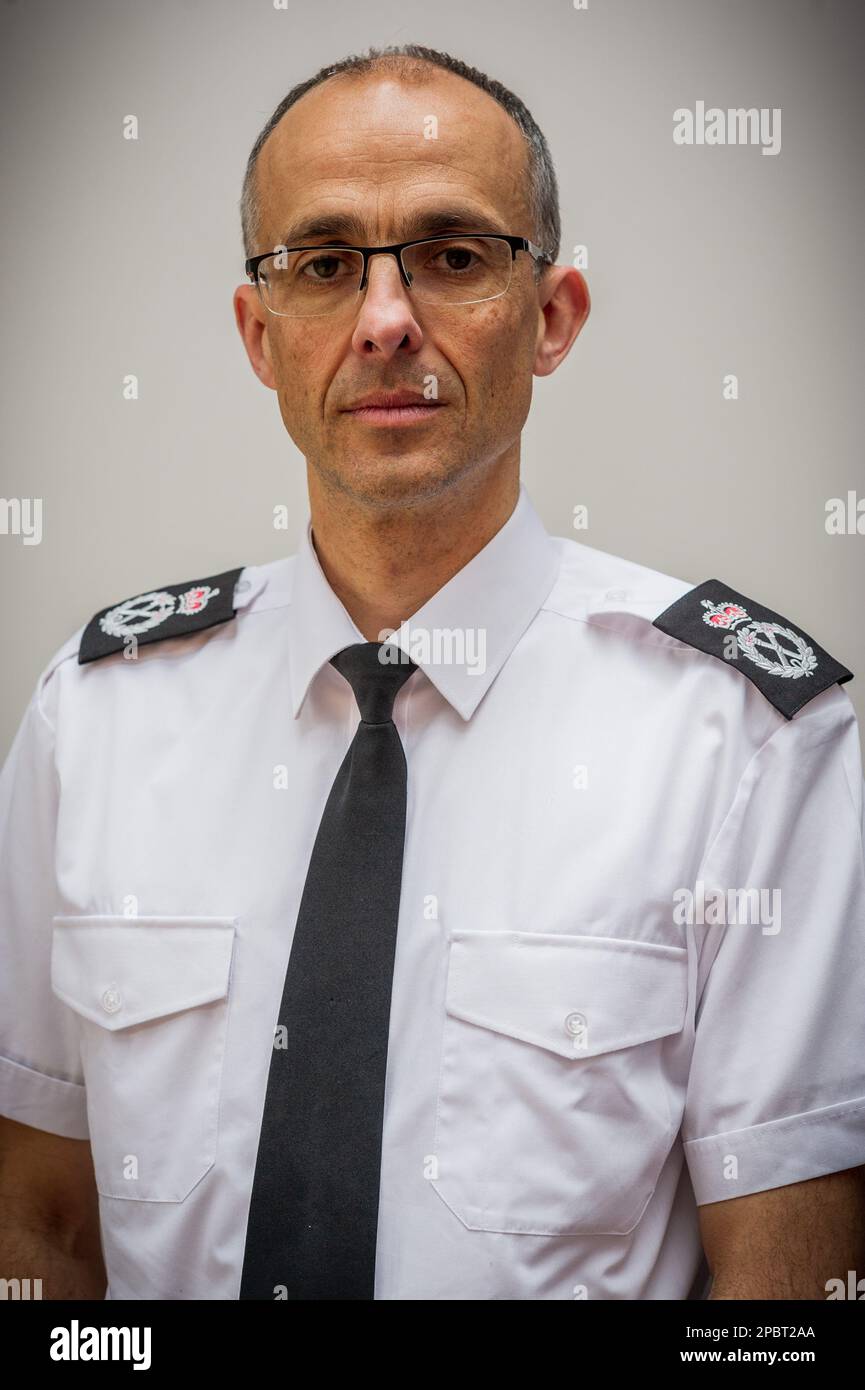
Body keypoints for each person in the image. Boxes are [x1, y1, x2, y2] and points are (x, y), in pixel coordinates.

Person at [1, 44, 863, 1302]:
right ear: (260, 332)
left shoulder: (743, 736)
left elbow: (789, 1284)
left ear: (553, 315)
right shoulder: (98, 716)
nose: (386, 318)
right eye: (324, 263)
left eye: (454, 256)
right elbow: (36, 1216)